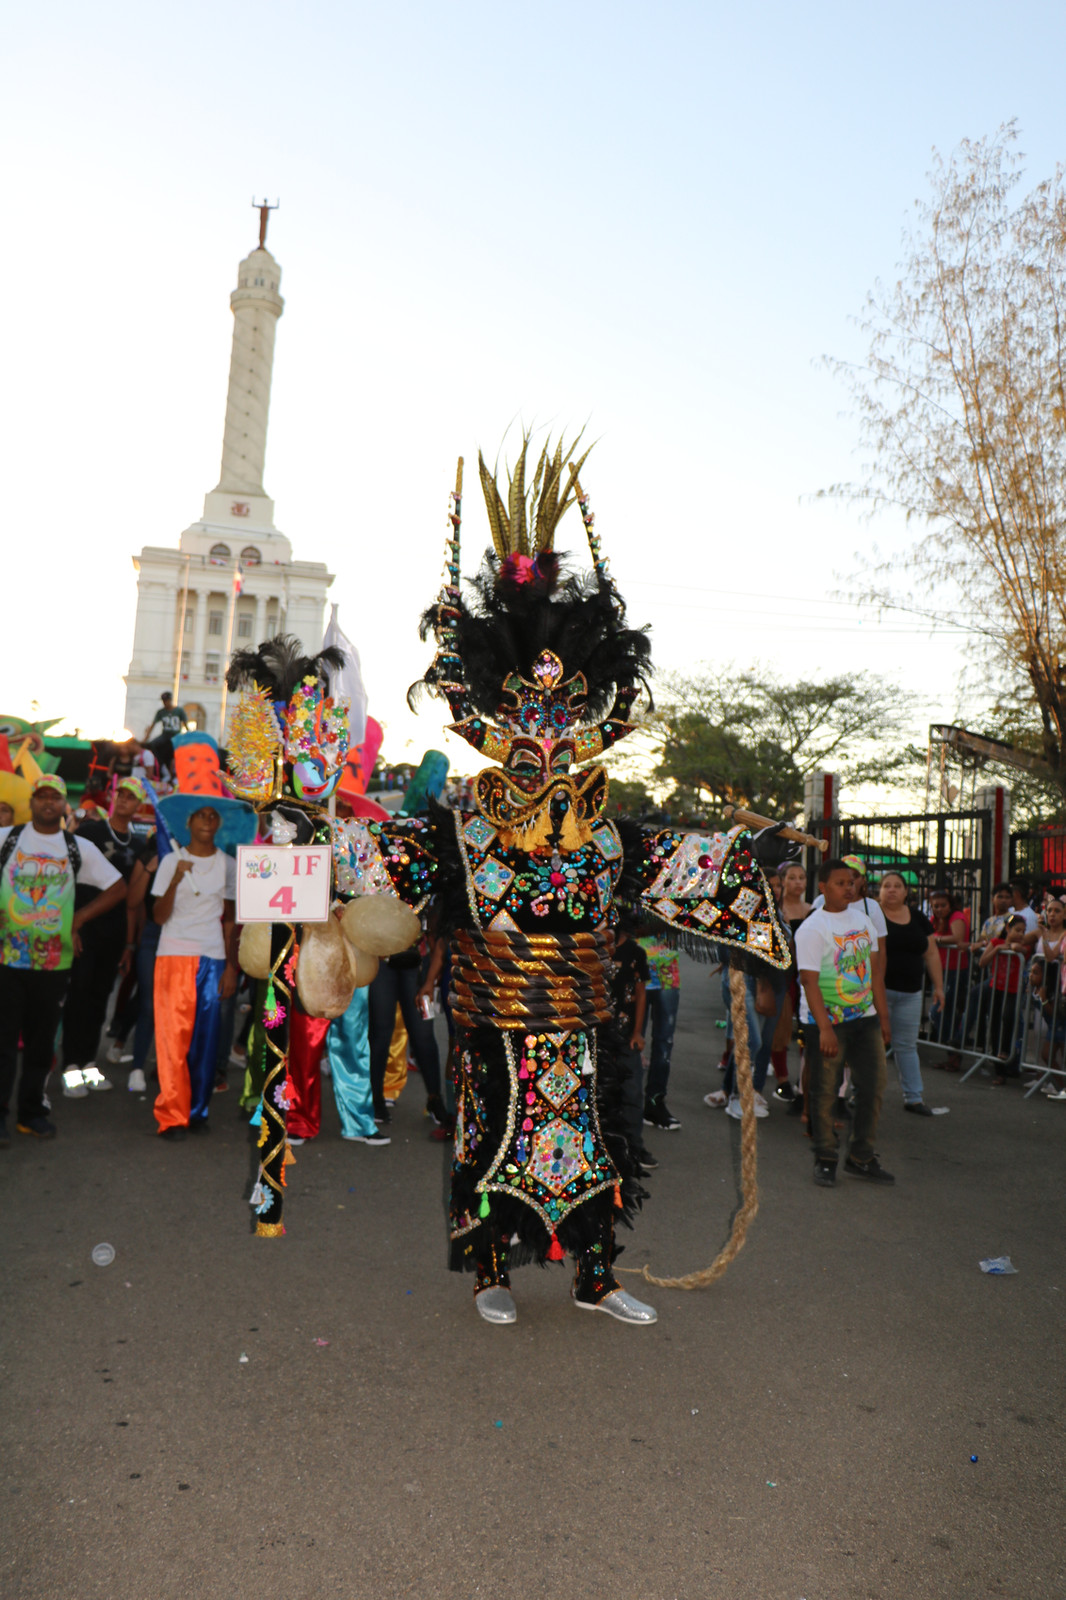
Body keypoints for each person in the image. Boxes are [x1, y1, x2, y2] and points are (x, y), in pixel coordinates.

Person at [0, 777, 127, 1142]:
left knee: (41, 1045)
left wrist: (81, 917)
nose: (48, 803)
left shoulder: (77, 847)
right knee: (3, 1044)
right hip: (6, 961)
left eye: (55, 797)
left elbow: (117, 888)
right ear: (31, 801)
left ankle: (31, 1113)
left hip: (54, 964)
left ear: (63, 804)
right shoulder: (7, 839)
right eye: (42, 796)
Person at [796, 857, 893, 1187]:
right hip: (828, 1022)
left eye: (851, 882)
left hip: (865, 1019)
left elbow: (875, 973)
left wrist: (883, 1017)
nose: (848, 888)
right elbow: (809, 981)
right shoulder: (813, 928)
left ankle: (861, 1156)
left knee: (873, 1087)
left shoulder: (864, 920)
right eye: (840, 883)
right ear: (823, 888)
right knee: (825, 1092)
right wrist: (824, 1028)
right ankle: (825, 1158)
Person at [151, 805, 239, 1140]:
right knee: (173, 1039)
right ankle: (172, 1115)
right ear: (188, 822)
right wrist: (175, 879)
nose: (207, 820)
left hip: (212, 956)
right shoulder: (171, 861)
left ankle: (197, 1110)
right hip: (174, 954)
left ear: (219, 823)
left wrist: (230, 966)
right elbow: (158, 916)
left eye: (213, 816)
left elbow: (229, 921)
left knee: (206, 1038)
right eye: (201, 815)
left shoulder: (228, 864)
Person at [62, 777, 149, 1094]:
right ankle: (70, 1068)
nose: (124, 800)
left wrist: (130, 944)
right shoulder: (90, 831)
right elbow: (66, 878)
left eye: (131, 797)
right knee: (78, 995)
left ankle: (88, 1063)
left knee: (100, 999)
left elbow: (134, 904)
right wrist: (71, 925)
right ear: (113, 797)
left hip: (114, 932)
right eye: (120, 794)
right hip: (84, 926)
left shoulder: (139, 845)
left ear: (138, 805)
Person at [877, 871, 944, 1114]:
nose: (892, 890)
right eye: (887, 885)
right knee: (873, 1046)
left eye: (897, 886)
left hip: (911, 994)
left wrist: (939, 987)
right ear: (879, 891)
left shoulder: (917, 917)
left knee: (906, 1046)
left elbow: (931, 953)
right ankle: (859, 1094)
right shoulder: (872, 916)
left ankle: (914, 1098)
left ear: (906, 891)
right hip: (879, 993)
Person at [610, 920, 651, 1168]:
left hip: (626, 1034)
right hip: (599, 1034)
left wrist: (637, 1032)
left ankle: (635, 1147)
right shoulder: (593, 949)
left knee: (632, 1091)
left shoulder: (635, 952)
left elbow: (641, 993)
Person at [638, 926, 682, 1131]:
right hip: (634, 970)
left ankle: (655, 1103)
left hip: (667, 974)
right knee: (629, 1040)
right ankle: (626, 1105)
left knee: (665, 1043)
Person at [977, 914, 1028, 1083]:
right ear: (1008, 929)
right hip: (996, 988)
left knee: (1008, 1017)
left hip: (1013, 991)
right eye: (1017, 930)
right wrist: (998, 949)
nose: (1020, 934)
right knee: (994, 1024)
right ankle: (999, 1070)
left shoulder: (1022, 946)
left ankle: (1005, 1051)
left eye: (1023, 931)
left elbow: (1025, 951)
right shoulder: (996, 942)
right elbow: (982, 962)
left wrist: (1016, 947)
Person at [143, 693, 188, 776]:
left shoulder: (179, 711)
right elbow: (153, 724)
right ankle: (160, 763)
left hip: (176, 735)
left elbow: (185, 723)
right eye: (163, 701)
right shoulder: (161, 712)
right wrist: (146, 738)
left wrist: (189, 735)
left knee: (179, 750)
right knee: (153, 744)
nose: (165, 703)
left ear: (170, 700)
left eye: (166, 701)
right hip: (165, 735)